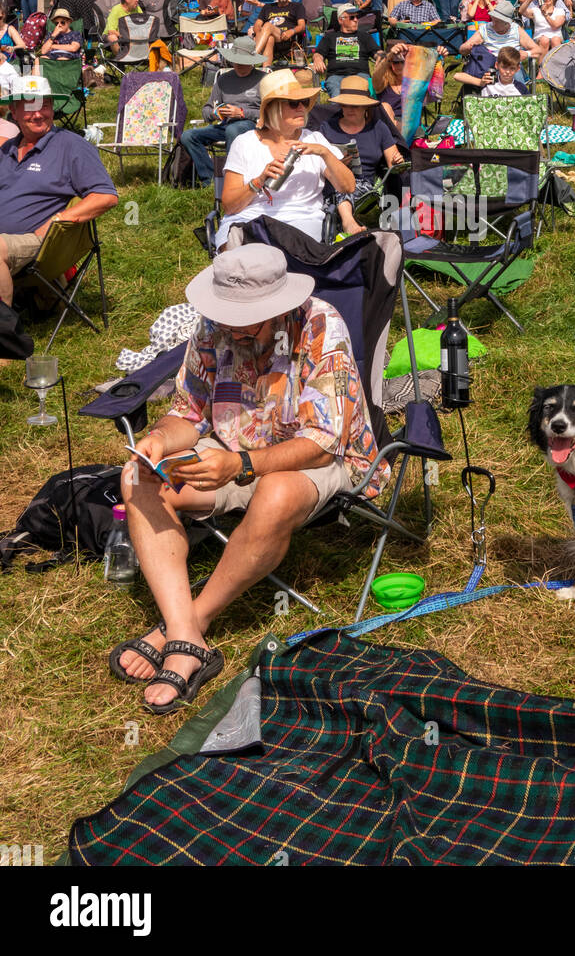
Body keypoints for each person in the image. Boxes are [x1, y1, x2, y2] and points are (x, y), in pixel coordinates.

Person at [115, 243, 387, 712]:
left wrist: (241, 466)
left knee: (278, 491)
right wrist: (159, 437)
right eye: (228, 315)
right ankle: (187, 638)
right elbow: (189, 412)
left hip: (320, 458)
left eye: (248, 318)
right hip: (230, 444)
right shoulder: (211, 326)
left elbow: (322, 441)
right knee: (137, 476)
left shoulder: (320, 326)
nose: (234, 327)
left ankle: (186, 626)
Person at [0, 73, 117, 304]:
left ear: (52, 108)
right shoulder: (6, 150)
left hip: (36, 241)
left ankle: (5, 331)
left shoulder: (71, 145)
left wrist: (58, 220)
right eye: (29, 107)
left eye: (44, 105)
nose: (38, 114)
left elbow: (106, 196)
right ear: (14, 112)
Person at [215, 69, 354, 251]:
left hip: (300, 221)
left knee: (277, 255)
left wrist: (325, 153)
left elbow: (348, 186)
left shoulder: (314, 140)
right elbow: (230, 206)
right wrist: (259, 181)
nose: (302, 108)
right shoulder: (245, 143)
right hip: (249, 219)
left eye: (303, 102)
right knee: (242, 251)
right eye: (293, 103)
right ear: (273, 108)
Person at [317, 76, 404, 235]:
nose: (350, 109)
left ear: (365, 107)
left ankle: (347, 222)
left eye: (355, 105)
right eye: (346, 104)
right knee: (338, 179)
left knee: (346, 184)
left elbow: (394, 163)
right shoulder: (327, 127)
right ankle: (348, 221)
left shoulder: (378, 128)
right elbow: (316, 163)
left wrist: (397, 161)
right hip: (331, 181)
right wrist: (337, 164)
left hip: (364, 186)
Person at [180, 38, 265, 186]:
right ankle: (212, 180)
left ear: (252, 61)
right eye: (236, 61)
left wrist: (242, 113)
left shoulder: (263, 80)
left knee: (233, 130)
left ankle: (233, 179)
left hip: (253, 125)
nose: (239, 65)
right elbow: (206, 110)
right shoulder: (224, 79)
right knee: (188, 136)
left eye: (243, 62)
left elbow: (270, 113)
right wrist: (216, 113)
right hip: (225, 124)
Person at [455, 0, 542, 92]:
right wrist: (467, 48)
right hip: (489, 65)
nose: (493, 23)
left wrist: (527, 54)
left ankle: (520, 100)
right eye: (493, 19)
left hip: (510, 65)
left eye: (497, 21)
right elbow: (462, 49)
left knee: (515, 74)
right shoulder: (486, 28)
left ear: (507, 23)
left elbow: (538, 50)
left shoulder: (516, 30)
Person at [313, 5, 379, 99]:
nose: (356, 20)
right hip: (336, 76)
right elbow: (318, 53)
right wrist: (317, 59)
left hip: (360, 75)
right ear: (341, 20)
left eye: (357, 17)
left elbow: (377, 52)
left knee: (358, 96)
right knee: (338, 97)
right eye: (352, 17)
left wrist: (381, 58)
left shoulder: (365, 36)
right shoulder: (329, 37)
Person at [252, 0, 306, 68]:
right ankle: (266, 70)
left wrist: (291, 31)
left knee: (268, 25)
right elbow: (257, 25)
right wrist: (259, 35)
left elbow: (302, 26)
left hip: (287, 38)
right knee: (270, 38)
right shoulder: (267, 7)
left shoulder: (297, 6)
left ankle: (251, 58)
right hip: (270, 38)